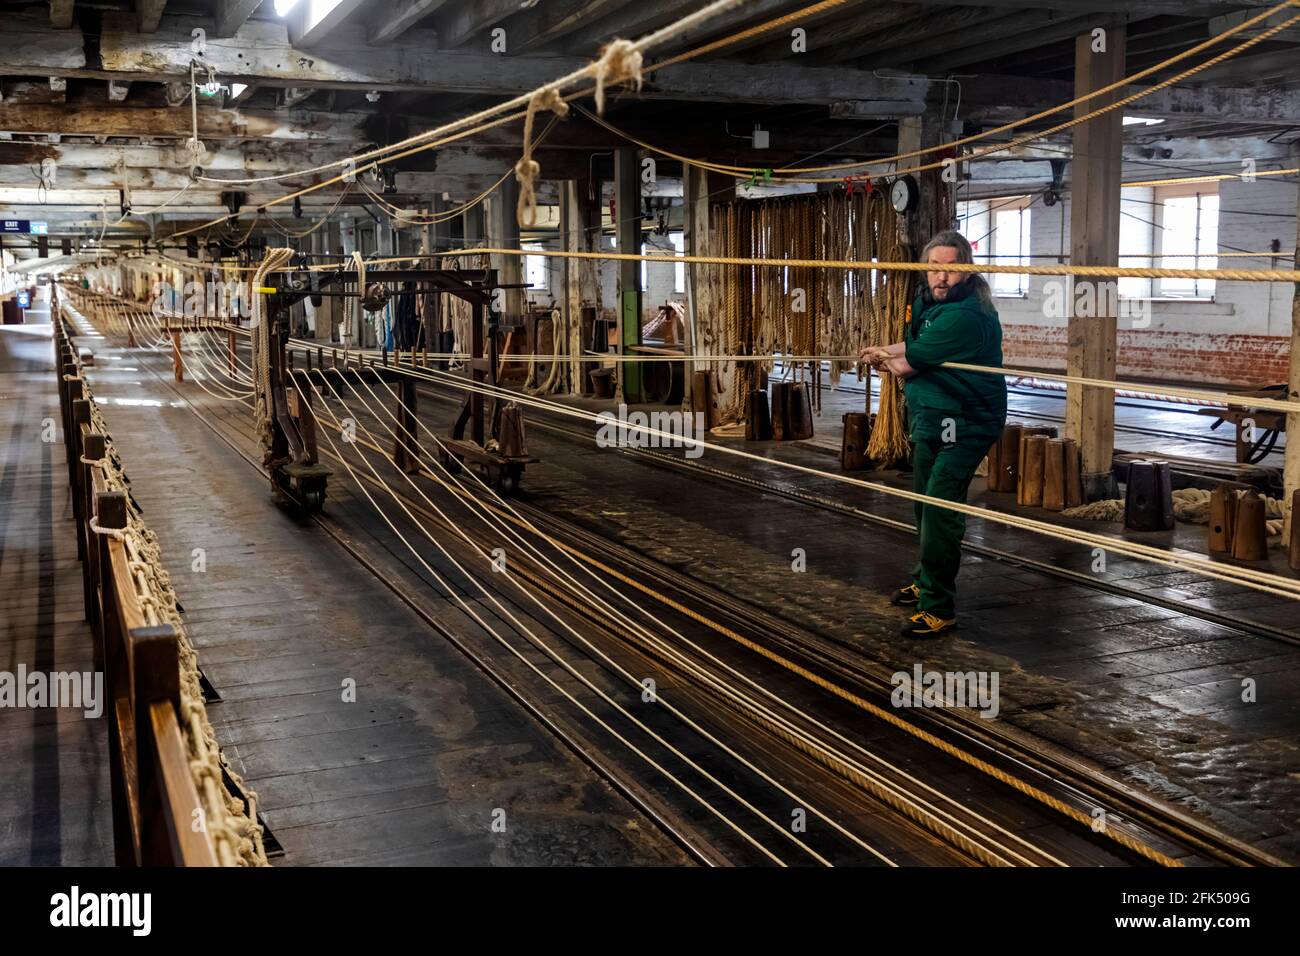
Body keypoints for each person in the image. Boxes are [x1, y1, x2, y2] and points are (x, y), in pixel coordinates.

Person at [860, 231, 1007, 638]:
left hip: (967, 423)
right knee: (923, 506)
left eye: (951, 268)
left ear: (967, 270)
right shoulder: (928, 300)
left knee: (941, 509)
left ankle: (938, 606)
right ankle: (924, 580)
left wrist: (884, 357)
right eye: (933, 267)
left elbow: (911, 362)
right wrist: (883, 350)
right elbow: (912, 344)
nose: (941, 277)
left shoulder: (967, 315)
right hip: (931, 418)